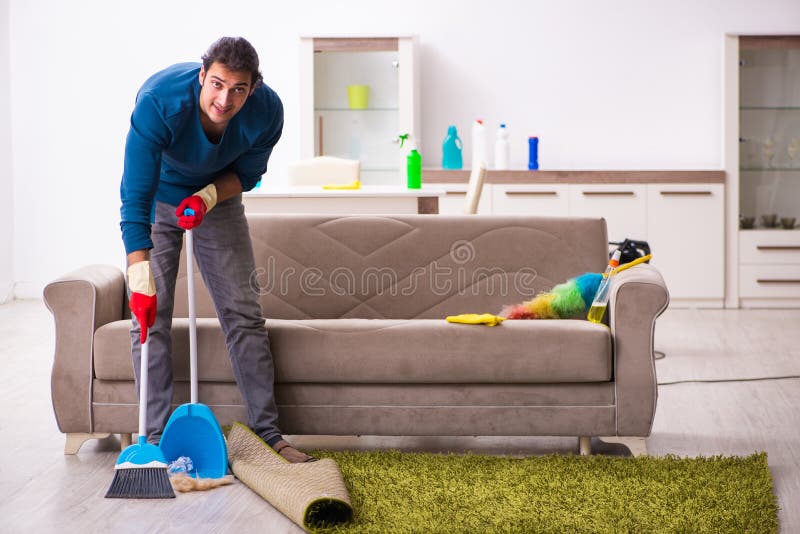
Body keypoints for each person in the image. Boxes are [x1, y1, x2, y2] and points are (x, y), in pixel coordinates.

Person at [119, 36, 313, 463]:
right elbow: (135, 196)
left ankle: (268, 435)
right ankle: (152, 441)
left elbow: (245, 176)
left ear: (253, 89)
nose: (225, 99)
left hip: (214, 199)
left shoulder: (267, 113)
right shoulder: (159, 102)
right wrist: (139, 275)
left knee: (243, 314)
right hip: (157, 198)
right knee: (148, 320)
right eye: (218, 84)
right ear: (202, 75)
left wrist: (206, 198)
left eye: (238, 89)